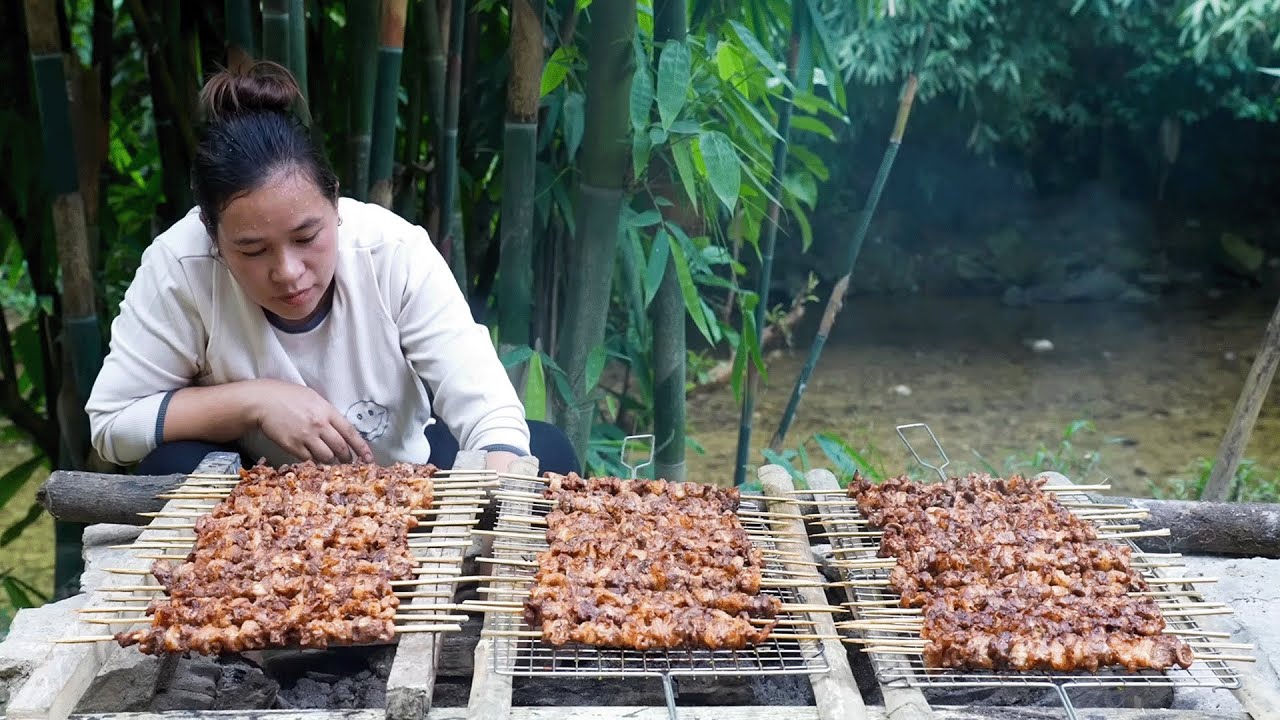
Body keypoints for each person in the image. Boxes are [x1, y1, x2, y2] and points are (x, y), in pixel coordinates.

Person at [85, 61, 578, 477]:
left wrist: (502, 471)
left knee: (545, 451)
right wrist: (256, 401)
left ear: (336, 203)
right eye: (253, 251)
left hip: (403, 482)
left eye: (306, 238)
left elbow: (484, 403)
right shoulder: (180, 266)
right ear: (211, 235)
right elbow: (112, 424)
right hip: (256, 502)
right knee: (169, 465)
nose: (288, 272)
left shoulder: (391, 249)